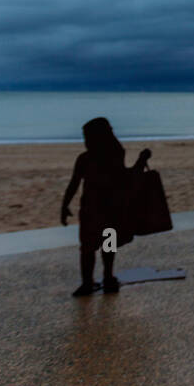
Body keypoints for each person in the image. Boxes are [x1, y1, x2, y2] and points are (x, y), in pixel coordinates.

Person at [61, 117, 151, 297]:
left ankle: (89, 282)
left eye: (86, 137)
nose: (85, 141)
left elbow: (73, 184)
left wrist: (64, 205)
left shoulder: (85, 159)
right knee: (107, 245)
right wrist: (142, 160)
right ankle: (108, 278)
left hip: (91, 212)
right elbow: (129, 177)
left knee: (87, 247)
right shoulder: (115, 156)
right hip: (111, 211)